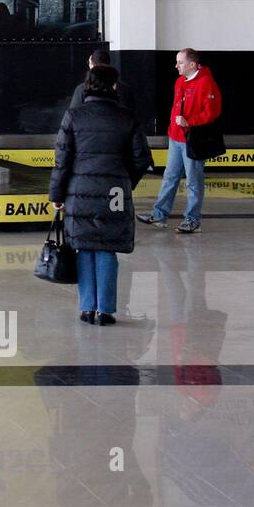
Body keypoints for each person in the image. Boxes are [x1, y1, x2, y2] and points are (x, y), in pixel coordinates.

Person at [49, 65, 152, 326]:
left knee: (84, 247)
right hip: (114, 192)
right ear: (114, 86)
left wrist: (57, 194)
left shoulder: (74, 116)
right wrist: (125, 180)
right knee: (107, 248)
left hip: (79, 190)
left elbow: (62, 160)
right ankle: (105, 311)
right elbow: (142, 158)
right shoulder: (127, 117)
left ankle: (87, 308)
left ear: (88, 85)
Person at [139, 48, 223, 234]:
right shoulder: (180, 82)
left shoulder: (206, 83)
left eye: (180, 62)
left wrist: (190, 122)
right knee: (170, 176)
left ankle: (192, 219)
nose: (176, 66)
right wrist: (173, 129)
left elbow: (212, 112)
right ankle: (159, 214)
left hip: (192, 139)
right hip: (176, 137)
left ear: (192, 64)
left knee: (193, 180)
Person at [68, 48, 136, 111]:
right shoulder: (125, 89)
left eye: (89, 63)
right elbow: (132, 115)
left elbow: (73, 114)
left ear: (92, 66)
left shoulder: (81, 89)